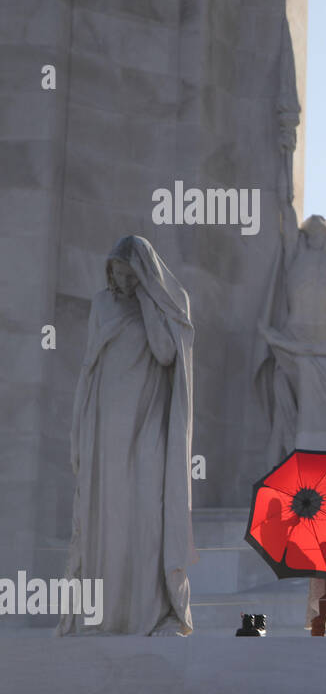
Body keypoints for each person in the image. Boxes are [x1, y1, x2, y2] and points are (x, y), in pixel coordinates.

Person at [57, 236, 197, 636]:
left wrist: (151, 304)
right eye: (114, 271)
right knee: (107, 517)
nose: (119, 279)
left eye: (128, 272)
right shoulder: (102, 304)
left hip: (149, 424)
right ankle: (101, 615)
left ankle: (149, 612)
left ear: (143, 273)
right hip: (106, 428)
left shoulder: (167, 304)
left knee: (147, 513)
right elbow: (89, 364)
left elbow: (168, 354)